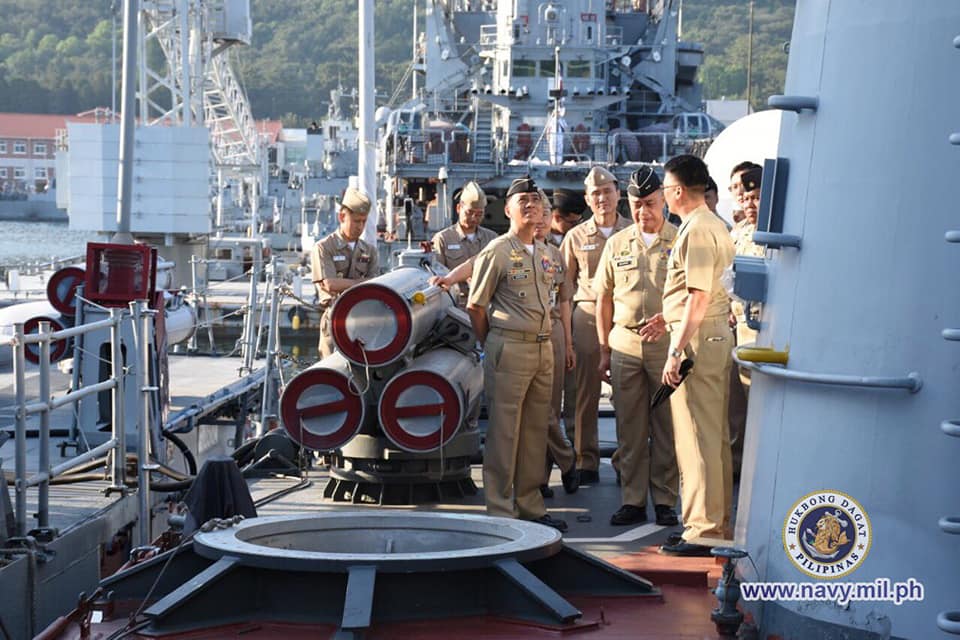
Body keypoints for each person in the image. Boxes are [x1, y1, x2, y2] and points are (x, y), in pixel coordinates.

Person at [467, 177, 567, 532]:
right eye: (522, 200)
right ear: (508, 209)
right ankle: (499, 508)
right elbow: (476, 306)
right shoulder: (496, 251)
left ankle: (529, 504)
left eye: (535, 201)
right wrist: (492, 342)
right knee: (504, 431)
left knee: (536, 430)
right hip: (509, 346)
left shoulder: (544, 252)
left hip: (543, 348)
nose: (530, 206)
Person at [656, 154, 736, 557]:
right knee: (711, 435)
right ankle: (711, 522)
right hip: (708, 334)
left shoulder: (698, 229)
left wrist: (674, 350)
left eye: (666, 190)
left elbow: (698, 297)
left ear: (677, 191)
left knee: (696, 436)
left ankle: (703, 529)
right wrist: (664, 317)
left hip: (698, 339)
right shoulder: (708, 225)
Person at [595, 166, 680, 526]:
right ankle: (632, 500)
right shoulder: (617, 243)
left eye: (649, 204)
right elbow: (603, 299)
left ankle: (664, 500)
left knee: (665, 425)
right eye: (636, 205)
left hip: (665, 346)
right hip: (626, 344)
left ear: (663, 201)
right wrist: (603, 350)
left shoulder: (679, 241)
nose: (643, 212)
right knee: (629, 427)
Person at [561, 166, 630, 484]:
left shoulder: (632, 231)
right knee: (584, 392)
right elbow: (564, 287)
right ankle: (585, 459)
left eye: (607, 191)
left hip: (625, 316)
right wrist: (568, 338)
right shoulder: (575, 237)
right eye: (596, 194)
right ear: (588, 200)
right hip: (587, 314)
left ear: (618, 193)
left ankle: (624, 459)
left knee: (628, 393)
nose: (602, 198)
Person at [535, 189, 580, 499]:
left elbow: (564, 301)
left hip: (552, 332)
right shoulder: (507, 250)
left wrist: (569, 342)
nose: (539, 222)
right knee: (528, 411)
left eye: (545, 216)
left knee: (550, 409)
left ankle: (546, 472)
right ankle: (562, 462)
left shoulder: (555, 253)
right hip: (519, 334)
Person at [311, 187, 378, 357]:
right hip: (335, 320)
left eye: (364, 221)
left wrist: (354, 285)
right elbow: (330, 284)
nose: (360, 227)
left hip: (363, 321)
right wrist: (362, 283)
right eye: (356, 221)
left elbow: (376, 284)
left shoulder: (369, 251)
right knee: (332, 373)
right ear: (342, 217)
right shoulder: (324, 248)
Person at [431, 182, 498, 305]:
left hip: (487, 302)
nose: (473, 218)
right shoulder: (443, 238)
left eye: (479, 214)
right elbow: (436, 275)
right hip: (455, 303)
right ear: (458, 208)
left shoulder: (492, 238)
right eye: (469, 212)